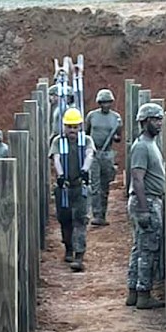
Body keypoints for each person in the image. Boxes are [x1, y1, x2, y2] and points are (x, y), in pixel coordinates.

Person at [127, 102, 166, 309]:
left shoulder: (149, 144)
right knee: (148, 249)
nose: (159, 123)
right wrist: (143, 209)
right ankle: (143, 293)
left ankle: (134, 291)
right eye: (154, 119)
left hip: (148, 201)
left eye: (160, 119)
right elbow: (137, 177)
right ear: (144, 122)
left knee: (139, 247)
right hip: (147, 201)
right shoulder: (142, 146)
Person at [50, 108, 96, 272]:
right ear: (63, 127)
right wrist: (61, 175)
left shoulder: (87, 141)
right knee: (65, 220)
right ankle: (68, 247)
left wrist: (85, 170)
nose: (72, 131)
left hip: (80, 187)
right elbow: (56, 158)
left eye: (75, 127)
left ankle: (79, 255)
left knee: (80, 220)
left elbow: (90, 154)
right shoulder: (57, 142)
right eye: (69, 127)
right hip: (64, 188)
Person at [84, 88, 123, 226]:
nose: (105, 105)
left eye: (108, 102)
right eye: (103, 102)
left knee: (105, 185)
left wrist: (116, 136)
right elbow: (86, 134)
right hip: (94, 154)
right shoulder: (92, 116)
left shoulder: (116, 118)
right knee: (94, 185)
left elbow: (119, 137)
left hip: (107, 154)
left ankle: (103, 214)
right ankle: (96, 214)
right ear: (99, 103)